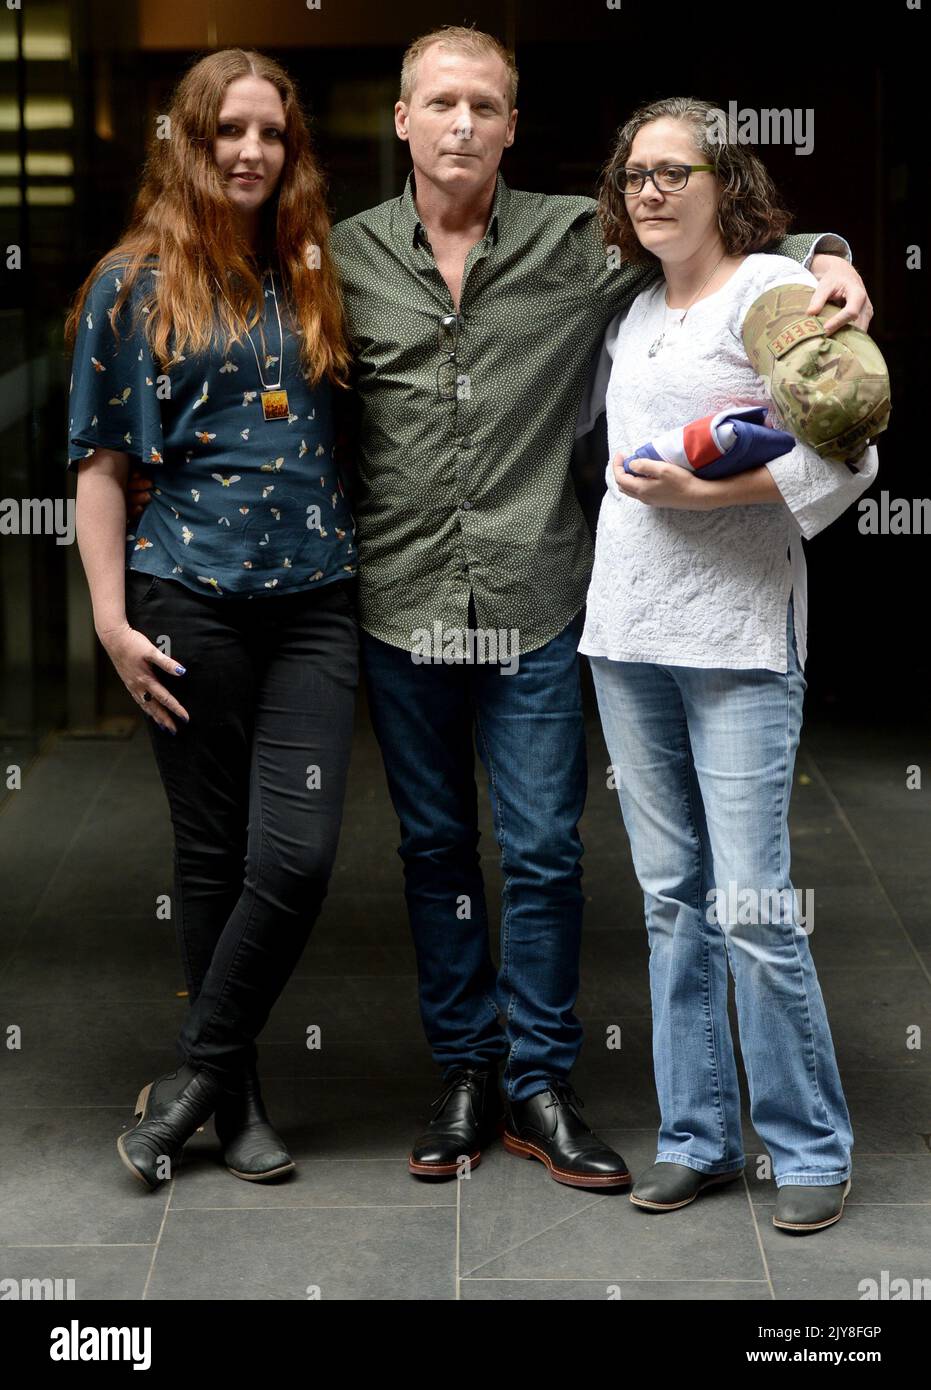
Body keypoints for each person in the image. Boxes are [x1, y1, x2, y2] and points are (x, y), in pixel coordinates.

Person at [326, 26, 874, 1189]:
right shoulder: (345, 255)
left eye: (486, 103)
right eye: (441, 103)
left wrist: (829, 249)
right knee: (437, 852)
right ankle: (474, 1075)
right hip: (411, 602)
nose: (463, 123)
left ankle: (541, 1080)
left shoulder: (583, 242)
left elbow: (731, 249)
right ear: (404, 121)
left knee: (543, 852)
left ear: (513, 126)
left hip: (540, 601)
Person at [575, 96, 878, 1230]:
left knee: (751, 903)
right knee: (669, 901)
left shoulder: (769, 292)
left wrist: (709, 490)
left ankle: (807, 1143)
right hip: (625, 633)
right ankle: (696, 1136)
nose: (650, 190)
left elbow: (850, 456)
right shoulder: (634, 309)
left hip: (741, 635)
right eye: (635, 175)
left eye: (673, 171)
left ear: (723, 182)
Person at [65, 48, 358, 1191]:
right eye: (228, 130)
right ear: (187, 141)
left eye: (271, 134)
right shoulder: (128, 282)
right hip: (186, 595)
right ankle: (235, 1108)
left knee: (296, 852)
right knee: (210, 855)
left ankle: (188, 1078)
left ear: (293, 151)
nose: (250, 151)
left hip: (317, 603)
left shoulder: (315, 266)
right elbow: (97, 464)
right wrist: (108, 617)